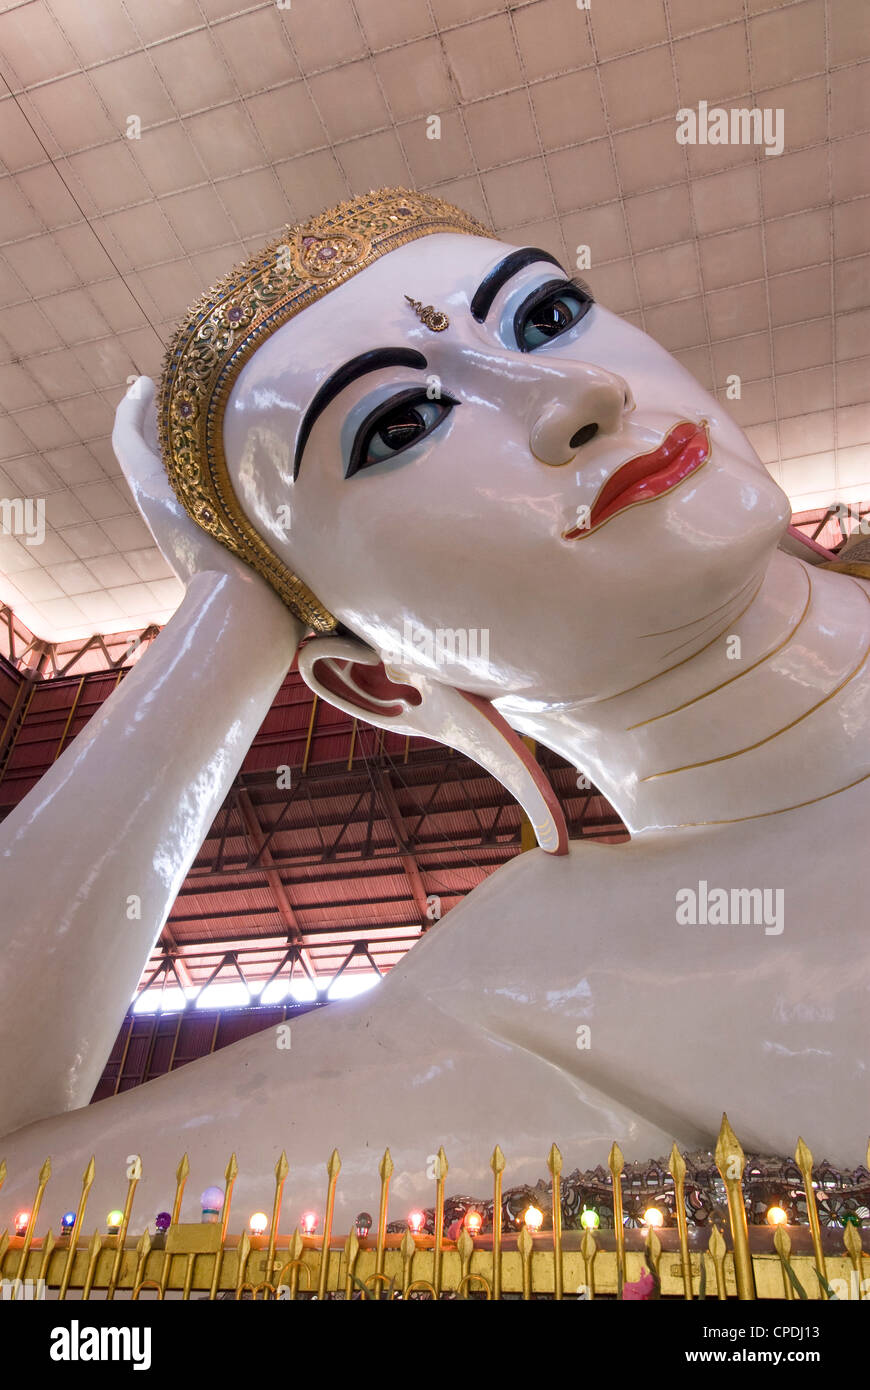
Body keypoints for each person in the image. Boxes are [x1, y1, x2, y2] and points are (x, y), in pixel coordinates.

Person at [1, 189, 867, 1231]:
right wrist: (228, 621)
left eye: (544, 316)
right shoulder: (550, 983)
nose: (576, 395)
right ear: (382, 681)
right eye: (398, 424)